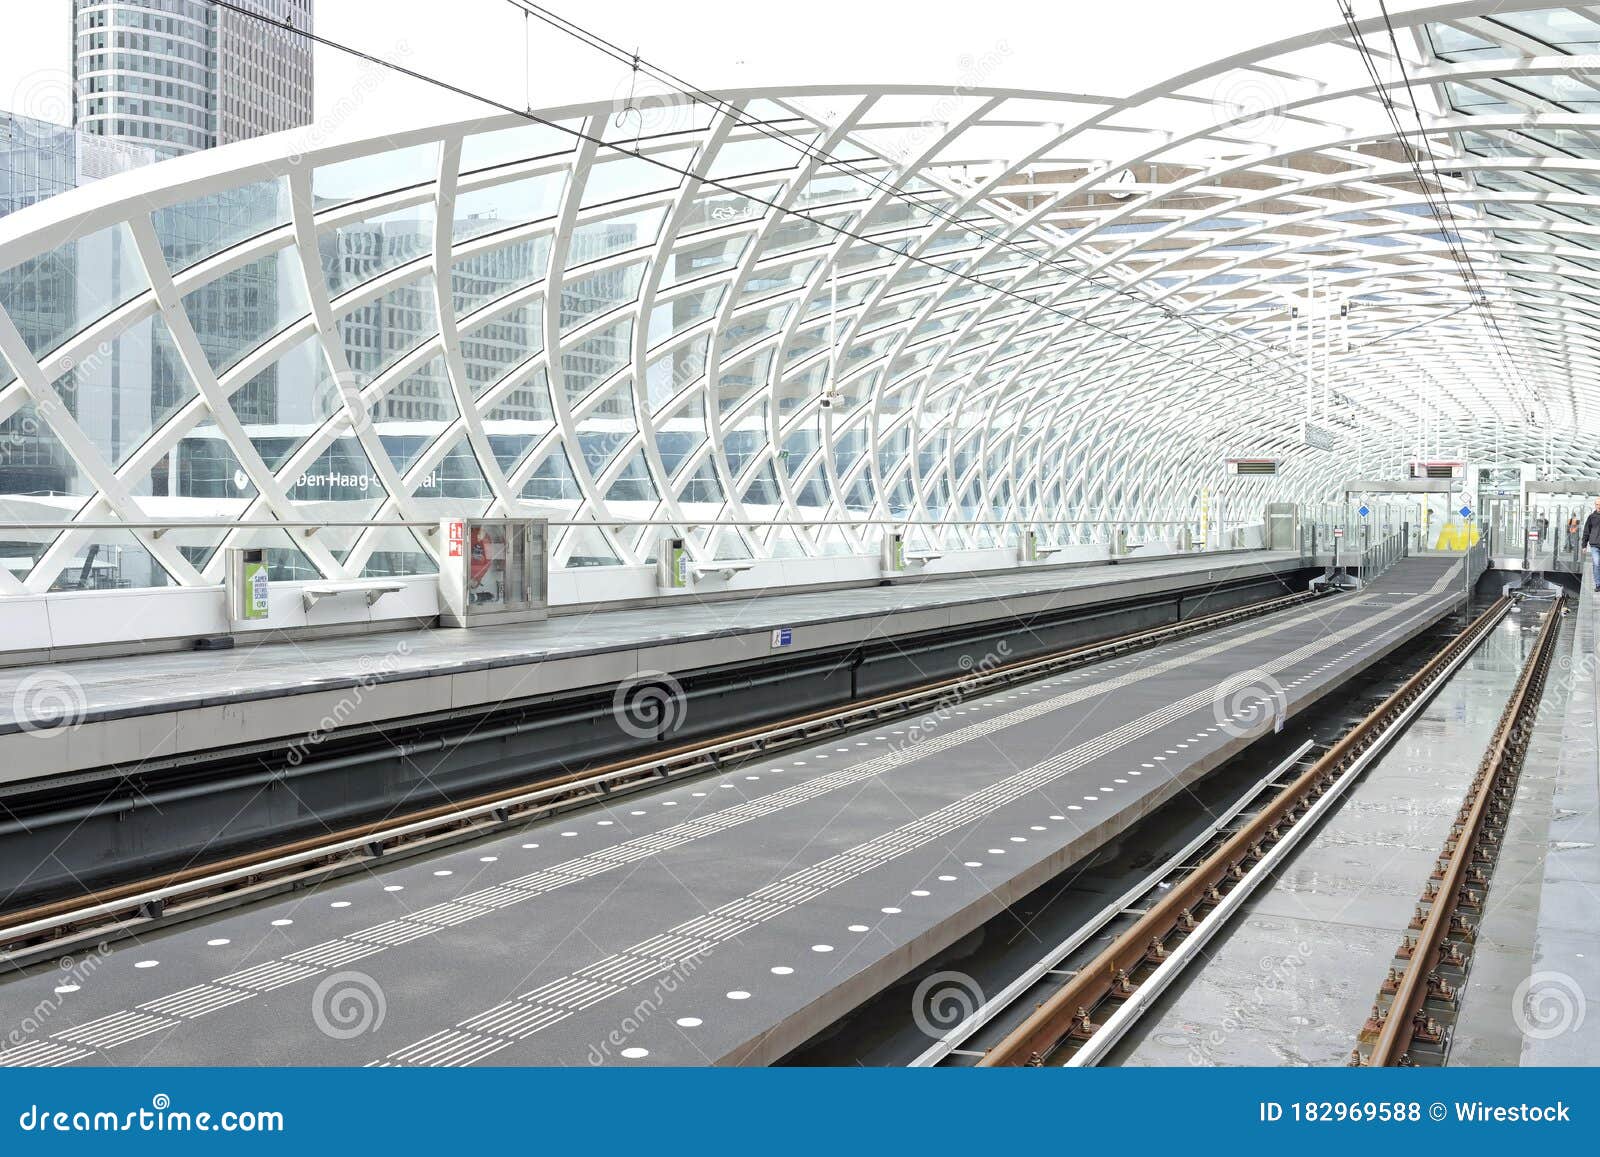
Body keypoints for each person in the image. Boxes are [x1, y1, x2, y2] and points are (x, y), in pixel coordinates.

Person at [1581, 498, 1600, 592]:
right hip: (1595, 545)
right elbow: (1586, 531)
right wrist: (1584, 545)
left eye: (1599, 504)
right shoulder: (1591, 517)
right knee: (1597, 563)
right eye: (1597, 504)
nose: (1599, 506)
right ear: (1595, 505)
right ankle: (1598, 584)